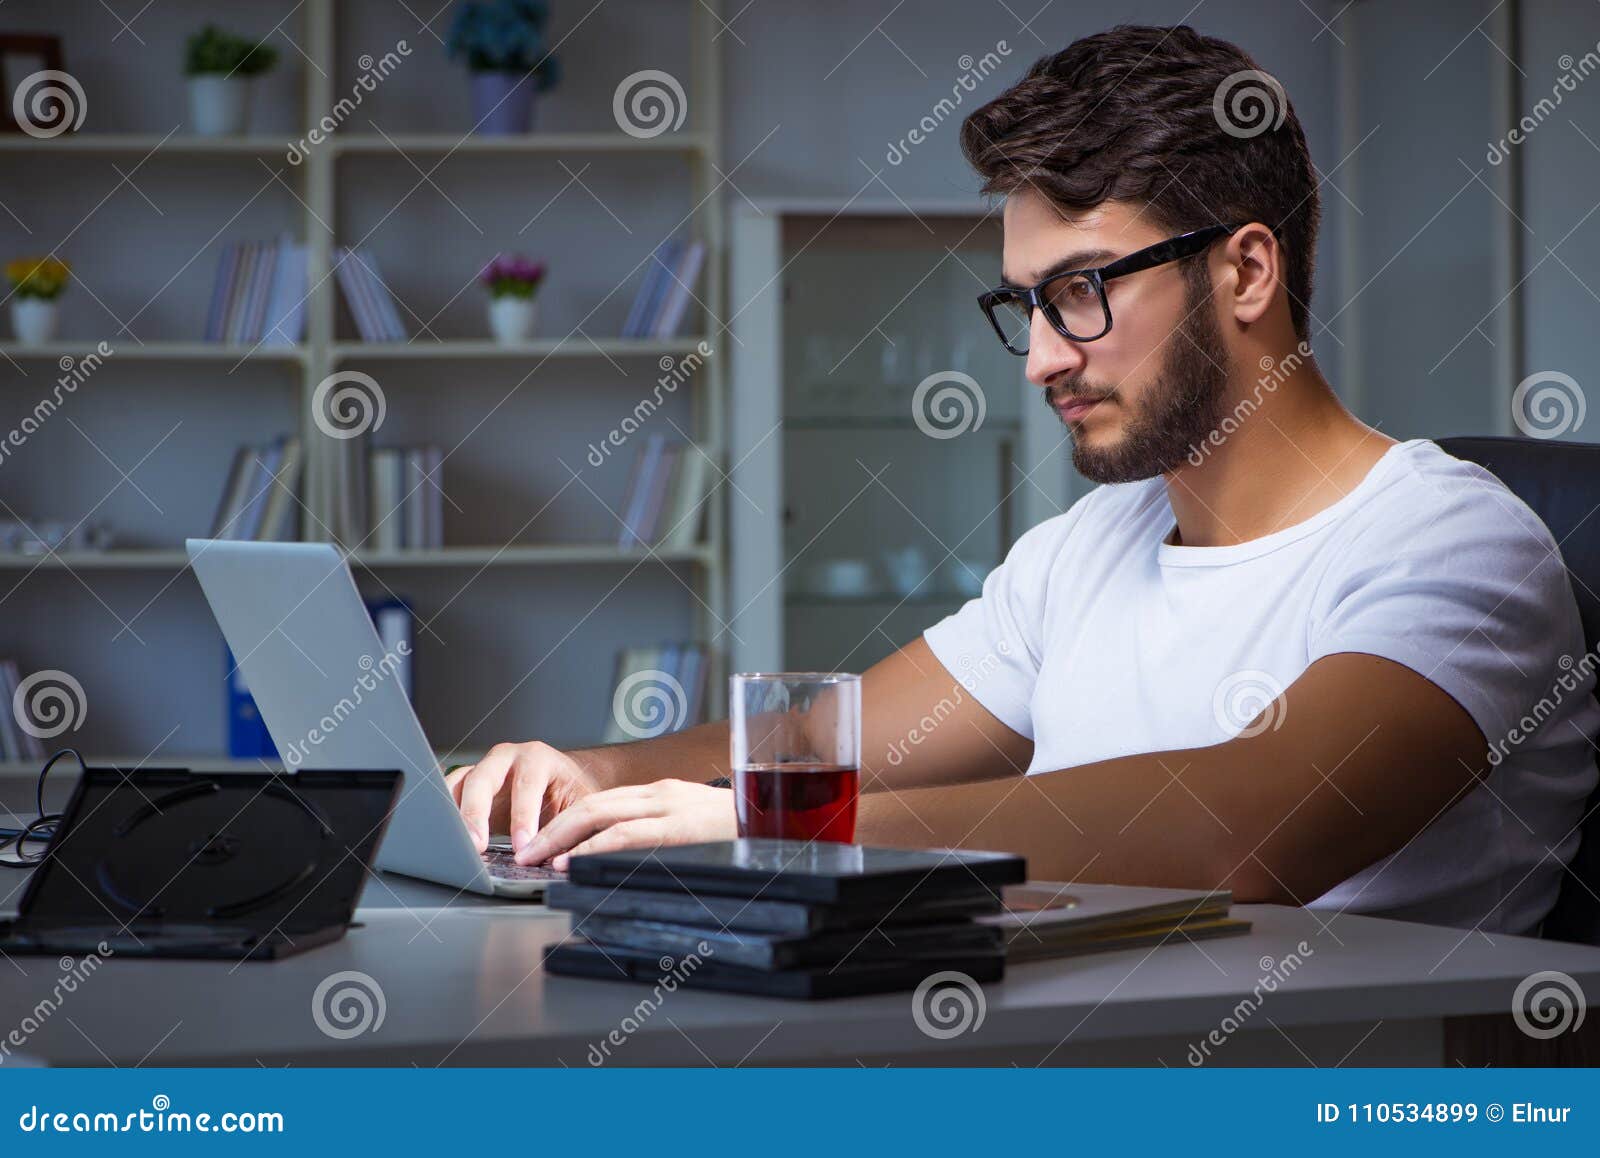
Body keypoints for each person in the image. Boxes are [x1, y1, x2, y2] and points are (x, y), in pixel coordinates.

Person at [449, 24, 1598, 935]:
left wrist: (773, 832)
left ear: (1247, 270)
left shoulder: (1452, 543)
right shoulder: (1083, 548)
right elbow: (819, 743)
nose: (1045, 355)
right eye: (1026, 304)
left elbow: (1249, 830)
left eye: (1083, 289)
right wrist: (586, 775)